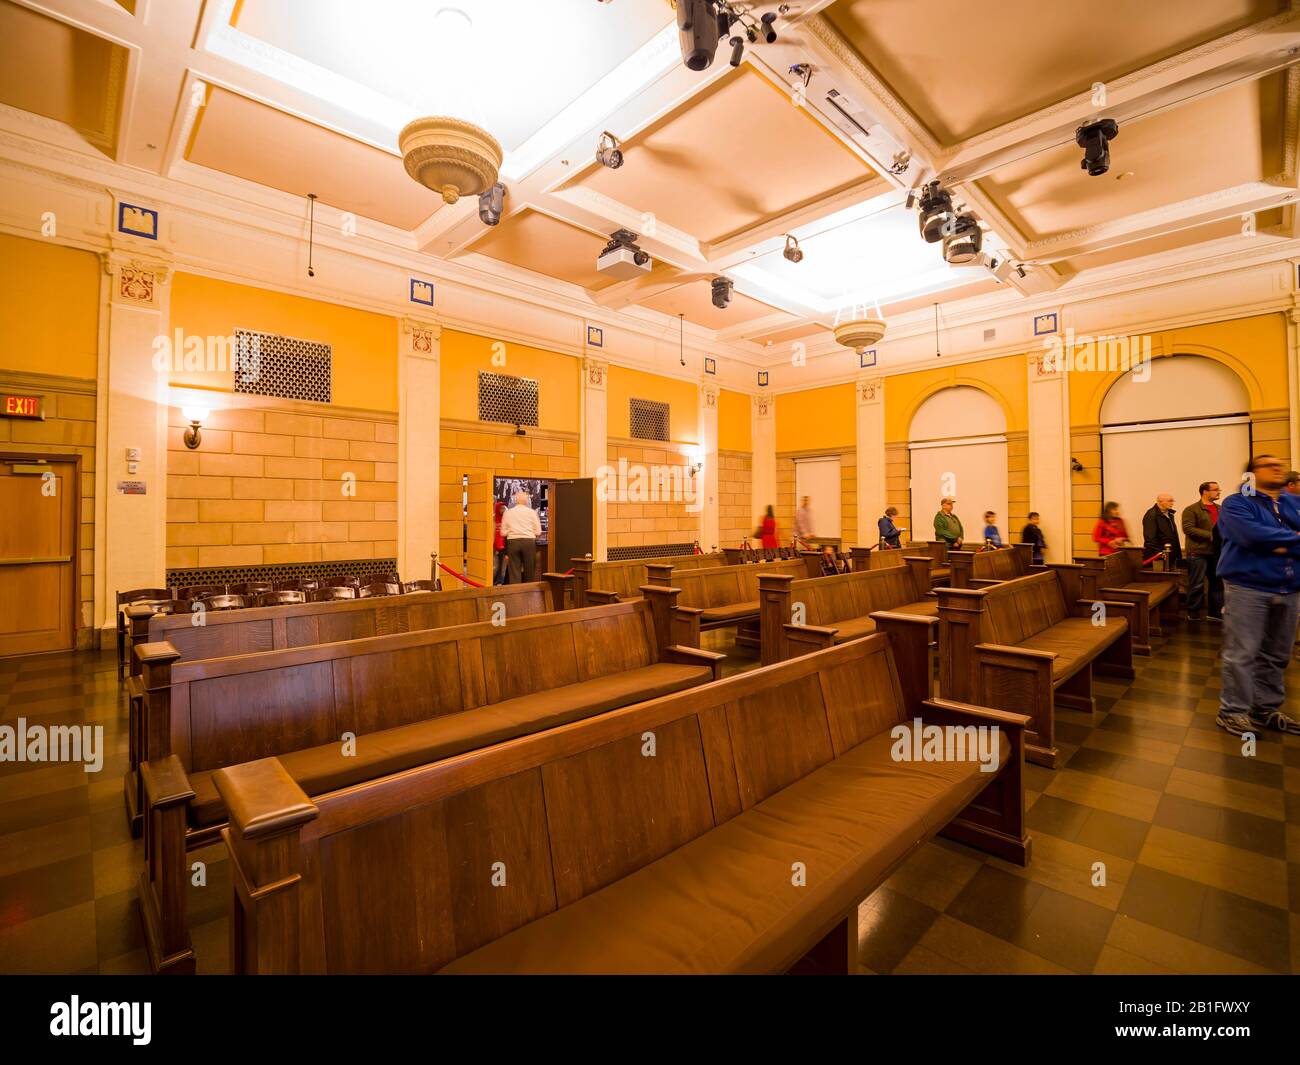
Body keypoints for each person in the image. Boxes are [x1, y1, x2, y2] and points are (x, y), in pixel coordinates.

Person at [1215, 454, 1300, 736]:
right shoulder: (1237, 503)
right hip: (1248, 587)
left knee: (1277, 655)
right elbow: (1253, 537)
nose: (1278, 467)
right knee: (1243, 653)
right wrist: (1291, 539)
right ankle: (1233, 711)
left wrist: (1281, 543)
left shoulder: (1292, 502)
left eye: (1280, 464)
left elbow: (1269, 539)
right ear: (1250, 474)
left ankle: (1265, 708)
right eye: (1268, 464)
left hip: (1288, 587)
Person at [1181, 481, 1222, 622]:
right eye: (1216, 490)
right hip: (1197, 552)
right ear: (1205, 492)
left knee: (1217, 583)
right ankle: (1193, 612)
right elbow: (1188, 528)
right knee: (1197, 584)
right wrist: (1211, 535)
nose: (1219, 492)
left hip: (1216, 552)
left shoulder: (1220, 509)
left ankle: (1214, 612)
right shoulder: (1191, 509)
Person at [501, 490, 542, 584]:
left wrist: (512, 531)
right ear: (527, 501)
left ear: (515, 500)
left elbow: (503, 532)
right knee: (529, 571)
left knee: (514, 572)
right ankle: (528, 593)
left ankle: (516, 594)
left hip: (513, 542)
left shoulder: (508, 513)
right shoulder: (531, 512)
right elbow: (538, 531)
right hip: (528, 542)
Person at [1142, 493, 1183, 567]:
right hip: (1160, 556)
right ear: (1160, 501)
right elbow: (1150, 539)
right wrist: (1160, 553)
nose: (1172, 503)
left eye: (1173, 501)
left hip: (1170, 554)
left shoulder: (1169, 514)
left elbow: (1172, 535)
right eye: (1170, 501)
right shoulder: (1151, 515)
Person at [492, 500, 508, 585]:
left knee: (503, 567)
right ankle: (492, 582)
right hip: (495, 546)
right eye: (501, 508)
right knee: (495, 566)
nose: (503, 510)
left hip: (505, 546)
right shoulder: (493, 519)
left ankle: (500, 583)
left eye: (503, 508)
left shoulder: (507, 518)